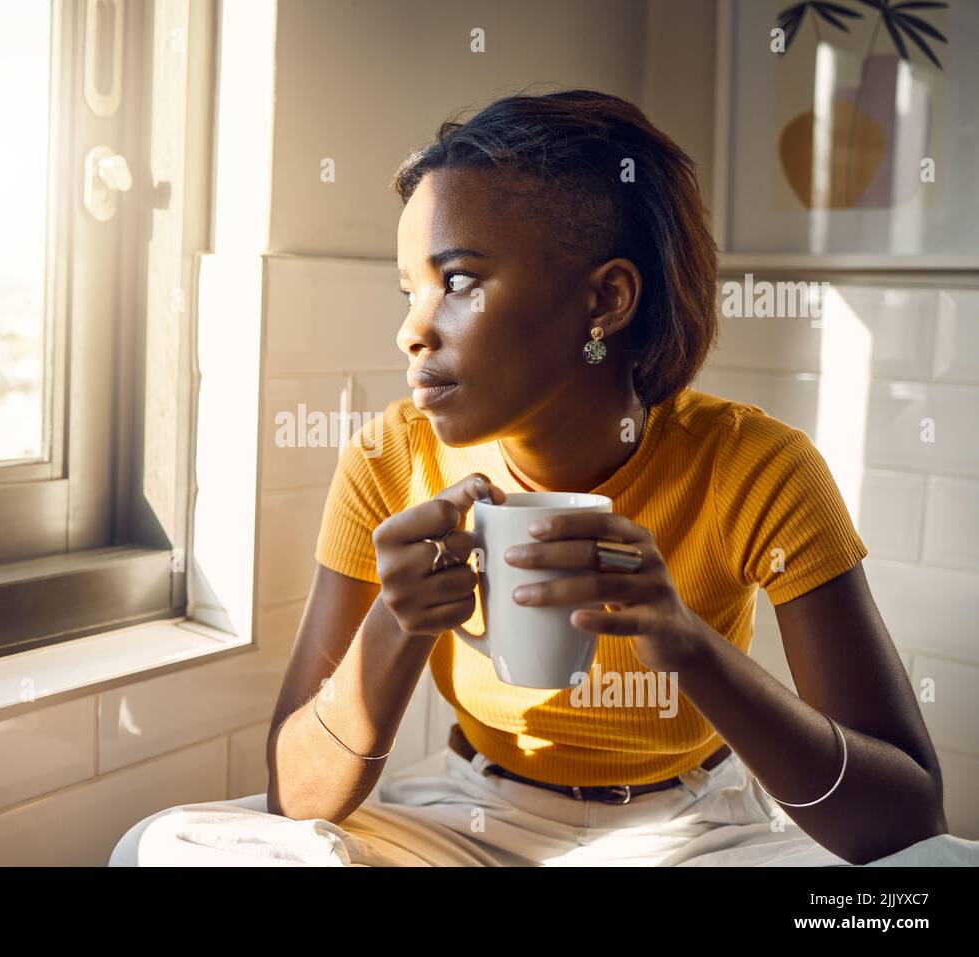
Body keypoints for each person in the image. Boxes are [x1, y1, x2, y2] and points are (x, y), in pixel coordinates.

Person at [110, 88, 956, 867]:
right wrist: (395, 626)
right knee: (168, 846)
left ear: (607, 300)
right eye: (410, 289)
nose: (413, 330)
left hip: (699, 833)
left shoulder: (759, 467)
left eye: (460, 280)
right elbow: (297, 795)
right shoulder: (388, 458)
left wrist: (685, 643)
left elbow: (909, 817)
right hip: (468, 819)